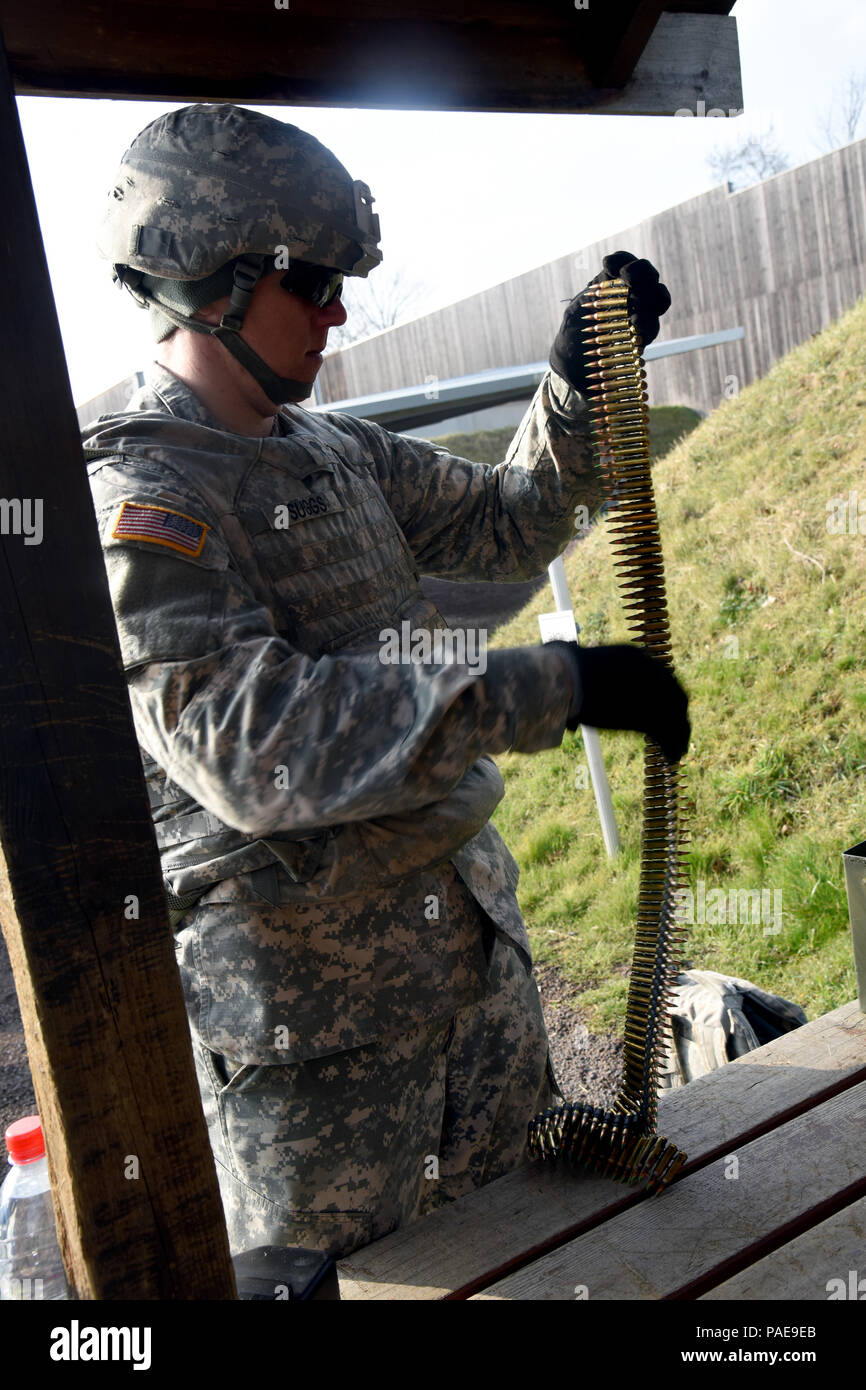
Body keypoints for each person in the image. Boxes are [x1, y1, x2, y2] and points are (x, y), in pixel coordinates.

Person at [82, 102, 689, 1260]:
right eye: (308, 283)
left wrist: (570, 388)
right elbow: (258, 747)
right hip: (321, 1050)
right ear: (207, 281)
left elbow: (505, 527)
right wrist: (544, 688)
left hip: (470, 976)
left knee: (528, 1263)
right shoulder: (145, 500)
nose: (338, 310)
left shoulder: (332, 450)